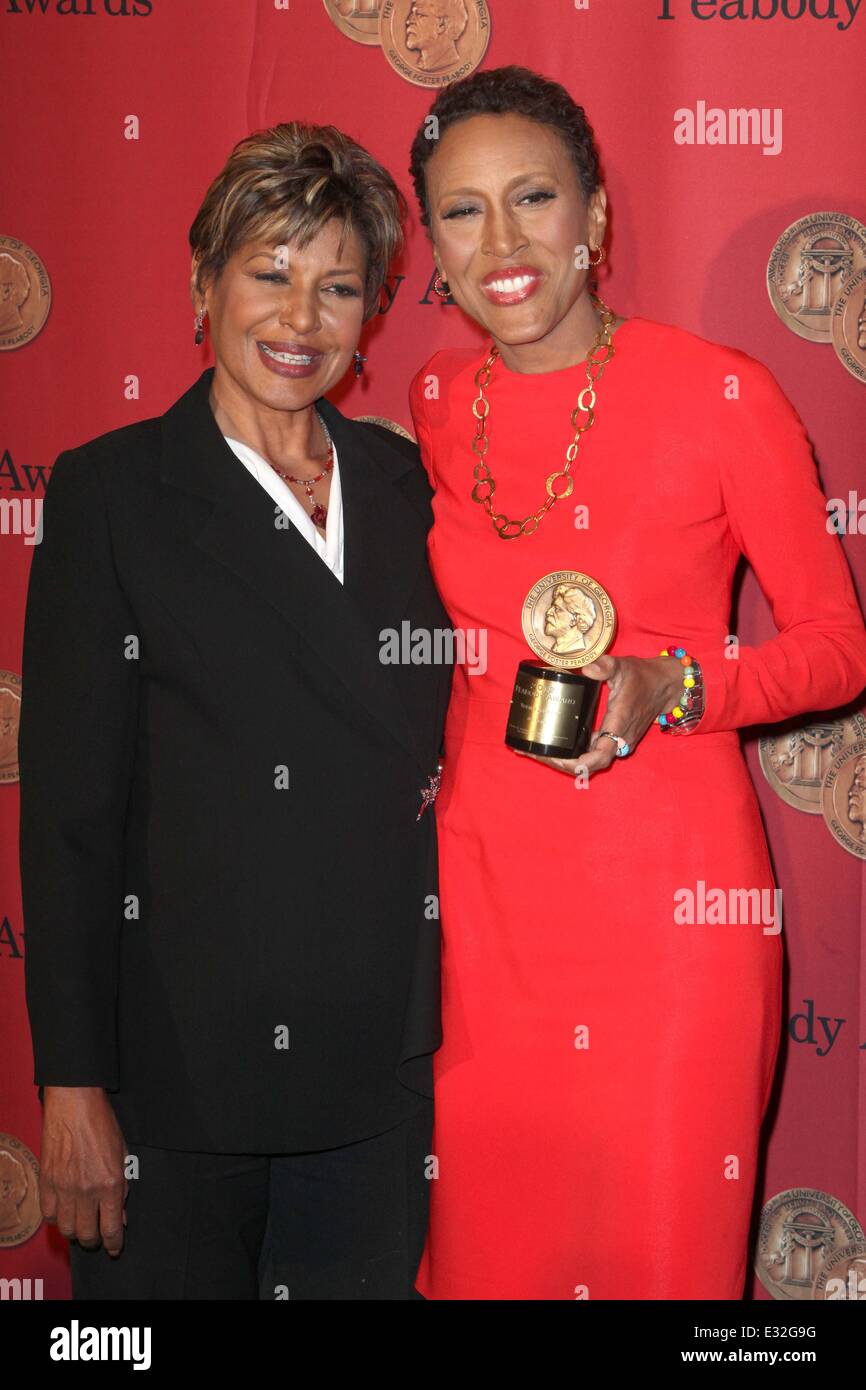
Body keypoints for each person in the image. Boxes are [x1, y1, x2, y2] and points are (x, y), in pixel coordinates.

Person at [405, 65, 866, 1300]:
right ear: (432, 249)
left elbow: (836, 643)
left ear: (595, 217)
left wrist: (674, 686)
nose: (500, 243)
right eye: (460, 211)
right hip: (489, 908)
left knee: (661, 1261)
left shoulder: (723, 395)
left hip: (672, 921)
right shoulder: (439, 400)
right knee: (488, 1259)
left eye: (533, 198)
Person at [19, 121, 452, 1300]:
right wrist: (71, 1089)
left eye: (337, 287)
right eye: (268, 272)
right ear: (200, 284)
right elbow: (67, 820)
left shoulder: (411, 484)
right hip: (174, 1078)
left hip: (380, 1072)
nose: (299, 317)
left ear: (373, 314)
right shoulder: (112, 492)